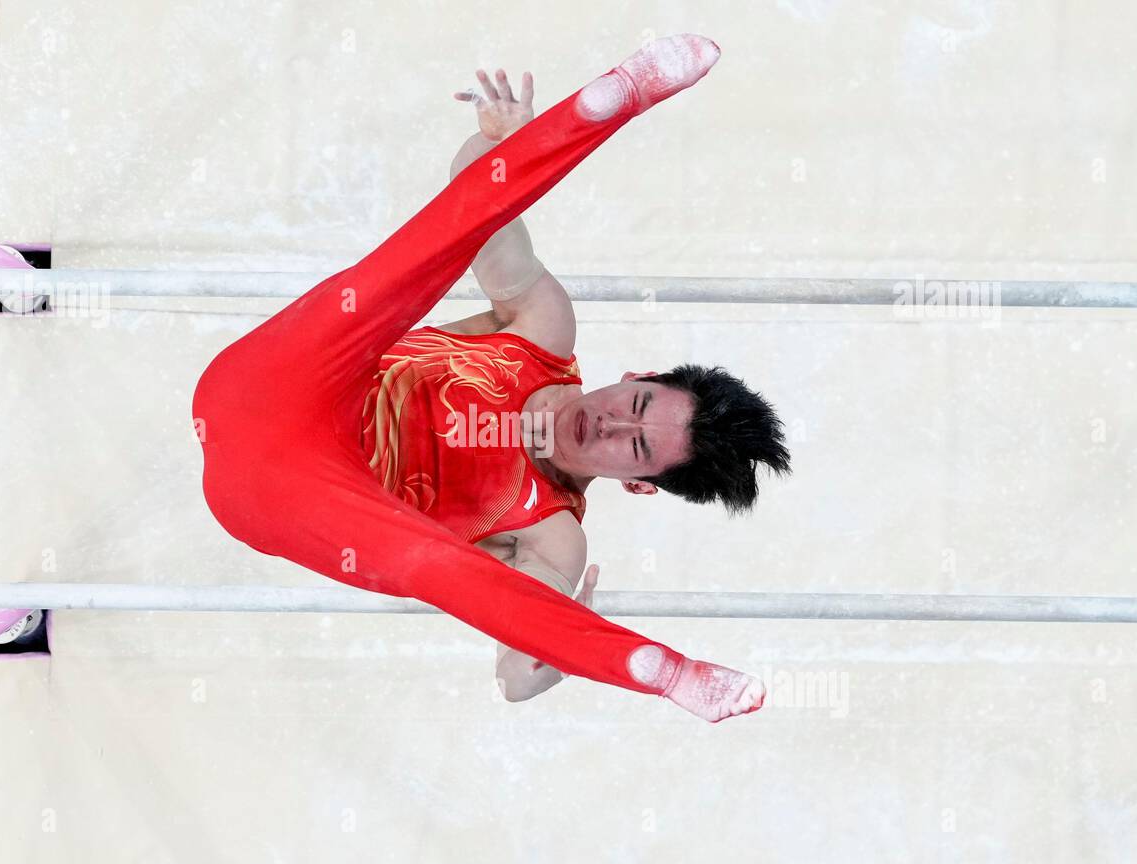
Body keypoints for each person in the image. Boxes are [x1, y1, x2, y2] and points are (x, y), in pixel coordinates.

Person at [193, 34, 786, 724]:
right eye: (638, 403)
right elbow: (470, 216)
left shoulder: (555, 535)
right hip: (278, 382)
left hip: (291, 496)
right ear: (634, 376)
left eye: (637, 446)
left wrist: (547, 657)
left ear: (636, 483)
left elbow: (511, 677)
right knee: (392, 277)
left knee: (432, 568)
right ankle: (600, 109)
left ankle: (638, 664)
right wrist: (501, 150)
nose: (614, 423)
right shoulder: (543, 329)